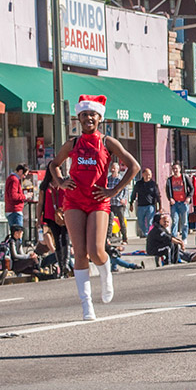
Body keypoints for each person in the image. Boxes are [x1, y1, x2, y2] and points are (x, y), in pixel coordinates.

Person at [50, 94, 140, 321]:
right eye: (84, 115)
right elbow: (54, 164)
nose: (89, 118)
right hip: (73, 200)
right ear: (78, 118)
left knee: (96, 250)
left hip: (99, 200)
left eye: (93, 114)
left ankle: (105, 269)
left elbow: (134, 166)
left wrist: (113, 190)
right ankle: (86, 305)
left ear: (99, 118)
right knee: (79, 252)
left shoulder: (108, 143)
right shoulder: (72, 144)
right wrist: (61, 182)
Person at [37, 165, 71, 277]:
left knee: (66, 238)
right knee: (57, 239)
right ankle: (61, 267)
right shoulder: (45, 186)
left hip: (65, 215)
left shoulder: (65, 182)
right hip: (51, 215)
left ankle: (66, 264)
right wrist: (38, 219)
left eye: (58, 170)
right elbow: (40, 203)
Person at [165, 163, 194, 242]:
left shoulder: (184, 178)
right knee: (174, 221)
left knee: (184, 222)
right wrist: (170, 198)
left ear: (180, 169)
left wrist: (188, 198)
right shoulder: (170, 180)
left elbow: (192, 188)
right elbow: (167, 190)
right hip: (174, 203)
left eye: (176, 169)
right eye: (173, 169)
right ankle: (174, 238)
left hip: (183, 203)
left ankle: (184, 238)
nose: (175, 170)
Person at [130, 168, 161, 237]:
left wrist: (160, 205)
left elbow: (157, 195)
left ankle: (149, 234)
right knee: (140, 222)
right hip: (141, 206)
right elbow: (134, 193)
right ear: (143, 174)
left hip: (150, 206)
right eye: (146, 174)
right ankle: (145, 232)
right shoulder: (138, 184)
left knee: (150, 221)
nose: (148, 176)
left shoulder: (153, 184)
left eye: (149, 175)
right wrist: (131, 203)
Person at [107, 161, 128, 243]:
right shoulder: (108, 179)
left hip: (119, 203)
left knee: (121, 221)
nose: (112, 169)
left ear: (118, 169)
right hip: (111, 203)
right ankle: (108, 238)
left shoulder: (121, 179)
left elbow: (125, 190)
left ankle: (124, 238)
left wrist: (123, 199)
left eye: (114, 168)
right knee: (110, 221)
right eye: (111, 168)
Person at [4, 164, 29, 230]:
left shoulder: (11, 178)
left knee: (14, 234)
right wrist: (25, 196)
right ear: (20, 171)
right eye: (24, 175)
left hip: (12, 210)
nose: (24, 177)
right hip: (15, 210)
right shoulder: (14, 180)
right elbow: (13, 196)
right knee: (18, 234)